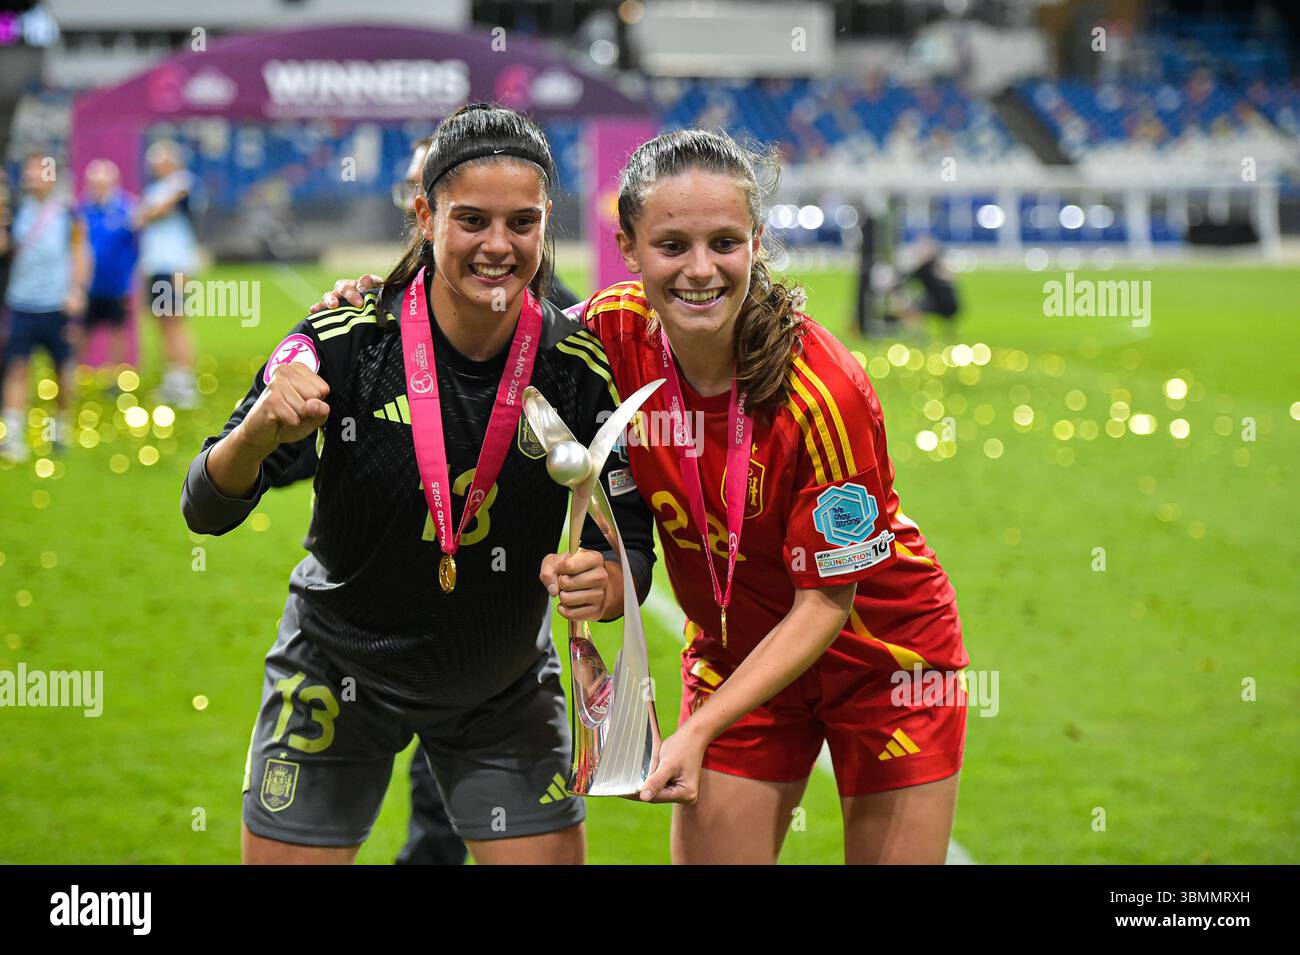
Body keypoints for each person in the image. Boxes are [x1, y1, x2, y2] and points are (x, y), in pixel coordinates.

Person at [181, 104, 656, 865]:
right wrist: (260, 428)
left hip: (498, 687)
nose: (497, 246)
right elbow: (203, 505)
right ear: (425, 215)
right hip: (337, 670)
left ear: (545, 224)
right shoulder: (344, 343)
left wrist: (605, 581)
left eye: (522, 222)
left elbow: (630, 543)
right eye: (471, 220)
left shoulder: (577, 368)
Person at [558, 130, 969, 864]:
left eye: (724, 242)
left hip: (884, 662)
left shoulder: (825, 390)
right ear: (628, 246)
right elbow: (499, 345)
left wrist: (699, 728)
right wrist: (380, 301)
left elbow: (826, 603)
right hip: (735, 650)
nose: (700, 269)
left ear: (756, 240)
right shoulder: (610, 330)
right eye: (671, 245)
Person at [0, 152, 89, 463]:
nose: (34, 177)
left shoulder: (67, 213)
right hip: (22, 303)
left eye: (40, 171)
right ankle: (12, 436)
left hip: (56, 305)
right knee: (16, 367)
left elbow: (80, 251)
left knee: (62, 370)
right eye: (30, 172)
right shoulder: (15, 210)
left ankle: (57, 429)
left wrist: (77, 290)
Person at [134, 140, 201, 409]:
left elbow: (153, 212)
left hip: (175, 264)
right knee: (162, 323)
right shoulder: (156, 188)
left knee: (175, 322)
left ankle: (185, 382)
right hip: (156, 264)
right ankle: (173, 379)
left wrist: (146, 213)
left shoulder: (182, 181)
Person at [80, 159, 138, 375]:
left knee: (118, 331)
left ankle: (115, 378)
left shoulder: (127, 209)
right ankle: (80, 376)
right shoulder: (83, 210)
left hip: (117, 284)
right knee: (82, 331)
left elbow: (136, 249)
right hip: (89, 284)